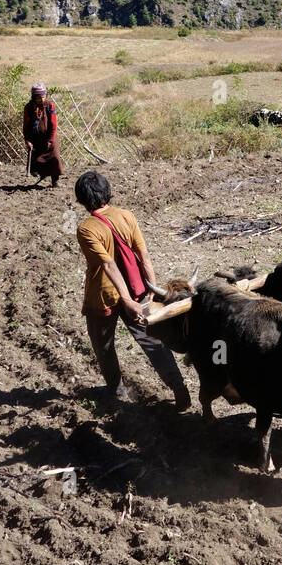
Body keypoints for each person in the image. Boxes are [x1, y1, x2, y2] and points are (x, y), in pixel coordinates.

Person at [74, 170, 190, 409]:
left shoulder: (87, 229)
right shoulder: (126, 216)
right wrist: (150, 288)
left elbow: (107, 264)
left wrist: (125, 300)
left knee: (104, 347)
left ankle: (117, 393)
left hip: (103, 297)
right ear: (107, 191)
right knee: (152, 341)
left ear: (82, 199)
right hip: (137, 289)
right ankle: (179, 388)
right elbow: (143, 254)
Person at [23, 82, 63, 188]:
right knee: (36, 158)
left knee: (54, 158)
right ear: (34, 97)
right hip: (35, 138)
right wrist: (27, 140)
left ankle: (55, 181)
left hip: (50, 136)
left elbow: (53, 124)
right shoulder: (28, 108)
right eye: (39, 98)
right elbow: (26, 125)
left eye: (43, 97)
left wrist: (50, 140)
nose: (42, 100)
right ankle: (42, 174)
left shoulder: (50, 106)